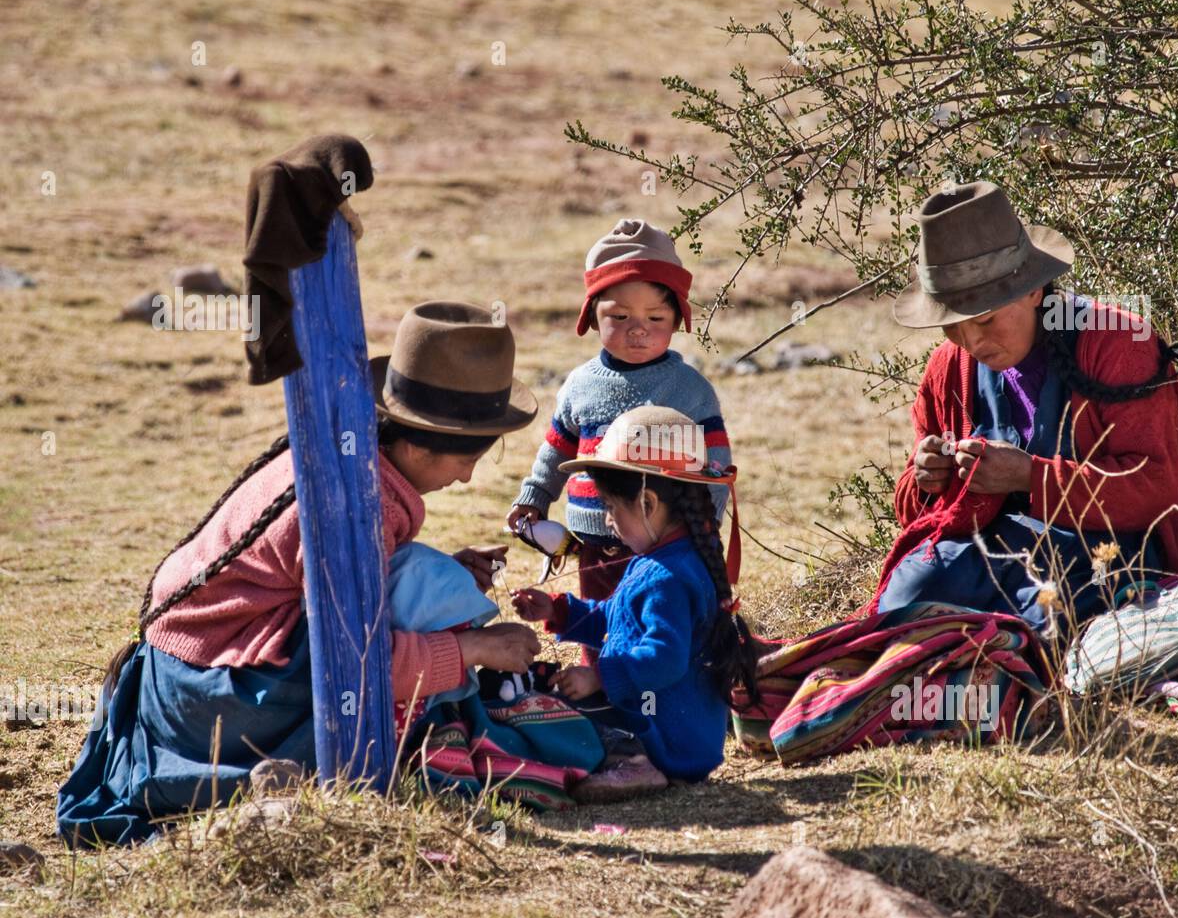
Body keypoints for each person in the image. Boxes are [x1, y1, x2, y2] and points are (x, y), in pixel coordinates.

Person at [58, 302, 603, 845]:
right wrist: (475, 651)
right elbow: (356, 660)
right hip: (211, 702)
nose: (465, 479)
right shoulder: (352, 506)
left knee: (421, 579)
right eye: (467, 461)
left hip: (190, 671)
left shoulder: (354, 460)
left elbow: (347, 586)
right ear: (414, 444)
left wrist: (447, 577)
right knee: (420, 598)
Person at [870, 181, 1178, 633]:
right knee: (901, 609)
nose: (971, 342)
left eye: (985, 320)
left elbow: (1158, 489)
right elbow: (917, 513)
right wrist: (925, 478)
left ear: (1034, 290)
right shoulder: (948, 368)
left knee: (1046, 626)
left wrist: (1029, 476)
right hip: (991, 547)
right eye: (952, 327)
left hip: (1108, 547)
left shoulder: (1117, 344)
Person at [506, 219, 731, 664]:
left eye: (655, 317)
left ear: (678, 320)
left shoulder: (688, 389)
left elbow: (716, 463)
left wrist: (704, 526)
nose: (638, 330)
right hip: (593, 546)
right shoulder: (580, 385)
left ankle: (662, 699)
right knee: (601, 633)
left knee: (661, 629)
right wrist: (535, 496)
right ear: (591, 315)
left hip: (666, 543)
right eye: (619, 316)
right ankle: (605, 696)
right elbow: (558, 448)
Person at [511, 406, 756, 800]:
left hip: (666, 736)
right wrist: (558, 610)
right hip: (660, 722)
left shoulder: (669, 577)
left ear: (647, 504)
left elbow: (664, 658)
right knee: (551, 706)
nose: (608, 522)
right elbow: (617, 620)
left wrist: (600, 677)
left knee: (561, 717)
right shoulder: (660, 561)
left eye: (610, 507)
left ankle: (638, 764)